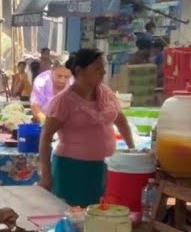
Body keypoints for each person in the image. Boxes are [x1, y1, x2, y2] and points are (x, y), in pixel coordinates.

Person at [38, 49, 135, 206]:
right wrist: (46, 175)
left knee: (101, 214)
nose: (103, 72)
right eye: (97, 68)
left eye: (103, 67)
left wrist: (132, 149)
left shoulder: (106, 94)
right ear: (79, 71)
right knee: (72, 217)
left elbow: (121, 121)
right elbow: (46, 137)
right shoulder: (63, 101)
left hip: (105, 167)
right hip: (72, 169)